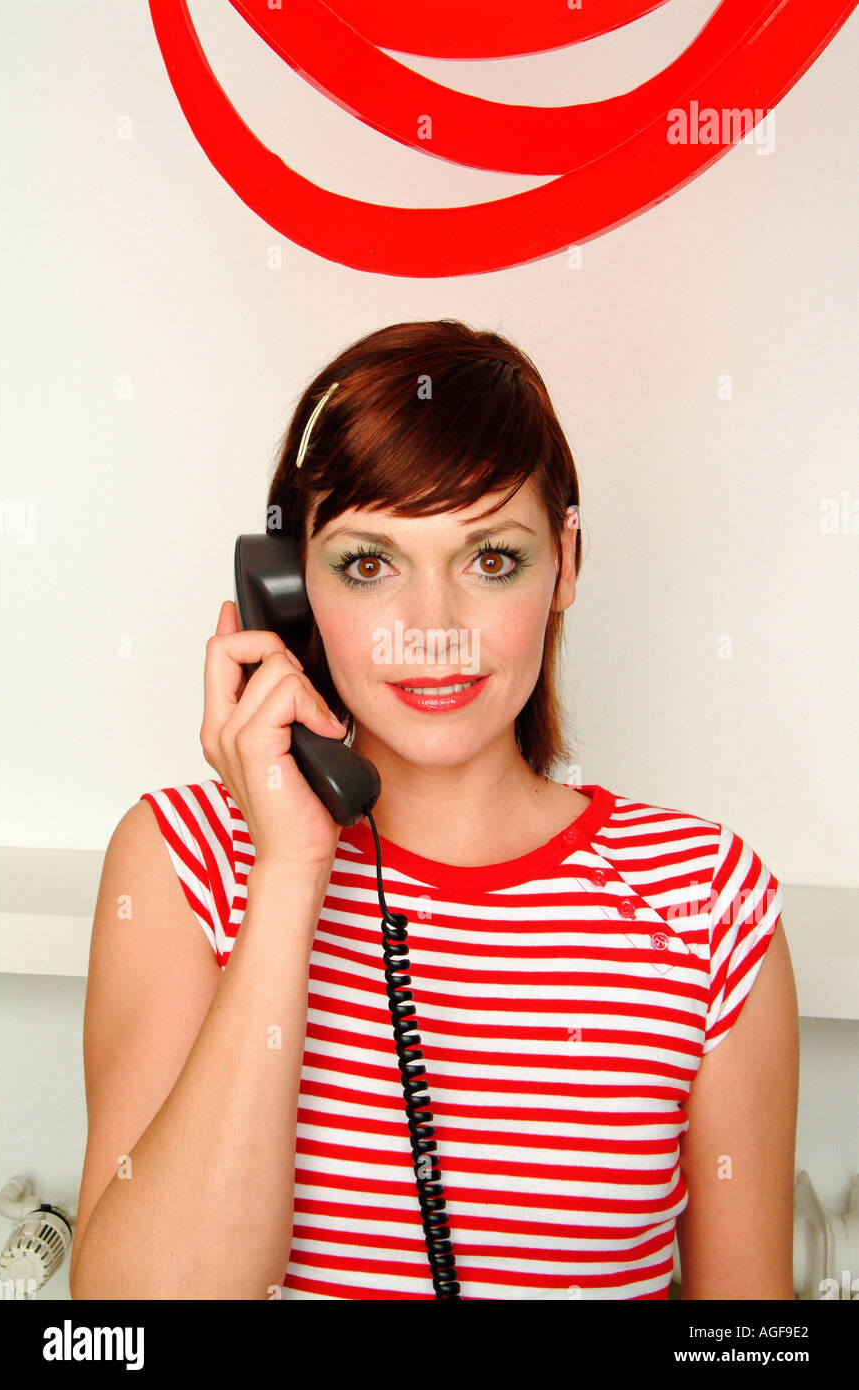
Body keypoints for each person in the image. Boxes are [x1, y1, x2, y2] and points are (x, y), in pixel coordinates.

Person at [70, 319, 798, 1300]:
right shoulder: (181, 862)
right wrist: (289, 871)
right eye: (368, 563)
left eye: (488, 559)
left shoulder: (705, 900)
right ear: (283, 588)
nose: (432, 631)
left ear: (565, 564)